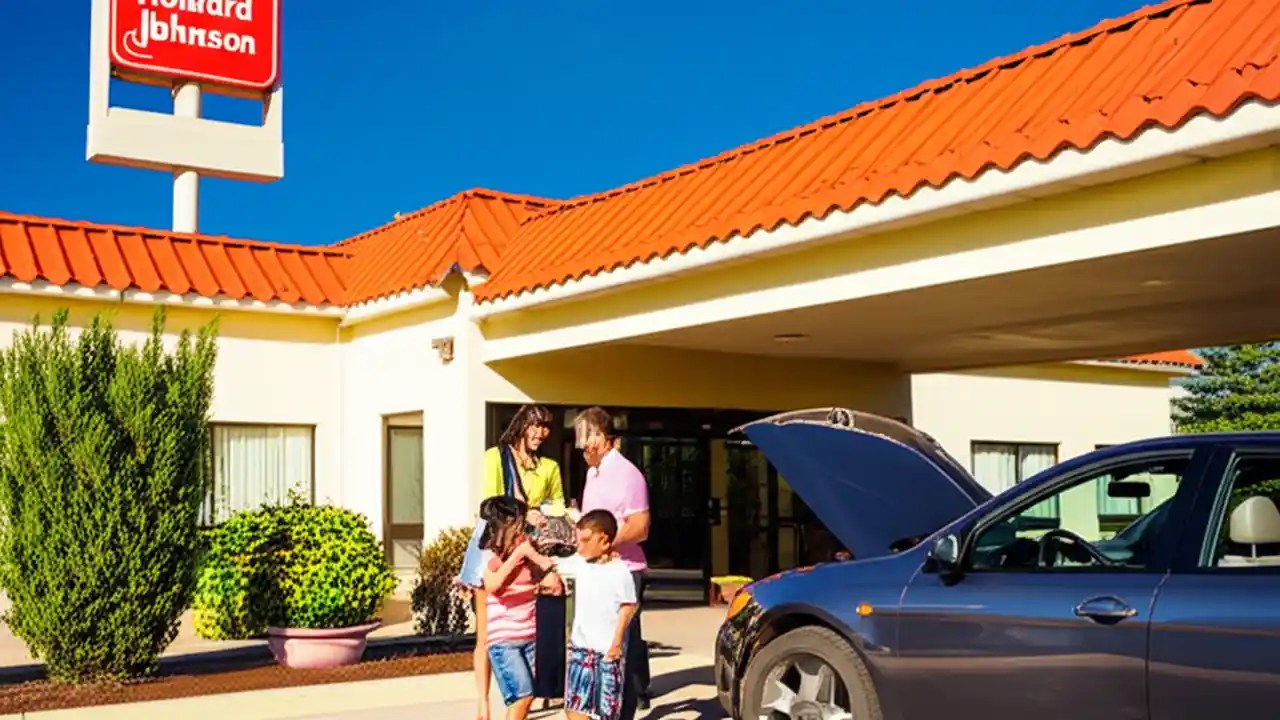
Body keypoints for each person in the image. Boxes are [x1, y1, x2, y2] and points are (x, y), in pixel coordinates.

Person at [459, 405, 564, 720]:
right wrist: (523, 510)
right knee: (487, 632)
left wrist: (542, 514)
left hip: (529, 546)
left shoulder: (550, 467)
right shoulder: (495, 457)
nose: (540, 433)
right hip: (495, 545)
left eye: (545, 428)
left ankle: (520, 694)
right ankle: (483, 702)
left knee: (522, 620)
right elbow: (488, 505)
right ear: (521, 426)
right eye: (535, 426)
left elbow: (558, 504)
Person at [572, 407, 651, 718]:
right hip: (596, 571)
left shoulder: (628, 474)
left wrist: (605, 543)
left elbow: (640, 526)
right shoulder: (593, 473)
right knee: (600, 643)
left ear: (602, 438)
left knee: (622, 648)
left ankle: (624, 710)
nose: (581, 448)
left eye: (585, 440)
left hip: (625, 571)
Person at [530, 510, 637, 720]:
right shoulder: (580, 564)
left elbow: (628, 606)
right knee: (575, 708)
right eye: (579, 540)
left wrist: (616, 643)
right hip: (581, 650)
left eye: (586, 540)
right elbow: (549, 563)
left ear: (604, 540)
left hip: (606, 652)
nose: (581, 546)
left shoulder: (620, 571)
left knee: (607, 711)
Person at [478, 495, 555, 720]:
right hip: (504, 641)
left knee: (527, 698)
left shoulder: (527, 548)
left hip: (529, 634)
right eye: (518, 523)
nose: (522, 528)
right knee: (522, 695)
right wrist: (518, 556)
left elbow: (544, 574)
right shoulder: (489, 554)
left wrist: (541, 565)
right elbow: (492, 584)